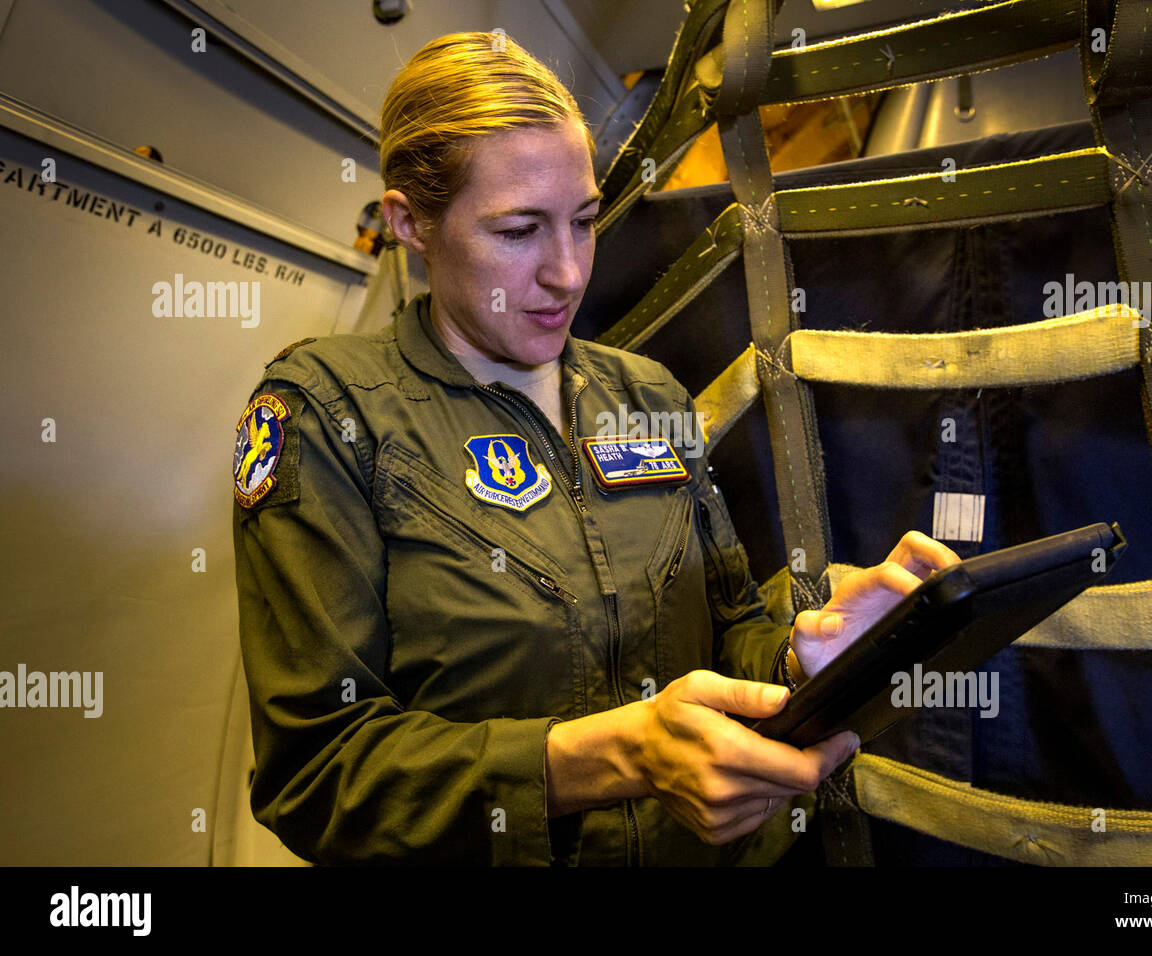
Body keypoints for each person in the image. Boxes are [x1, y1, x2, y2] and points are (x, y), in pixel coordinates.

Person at [231, 30, 959, 866]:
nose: (568, 273)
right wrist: (611, 757)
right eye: (518, 231)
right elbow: (317, 777)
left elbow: (732, 631)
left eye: (583, 222)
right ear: (410, 223)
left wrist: (812, 654)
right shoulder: (329, 417)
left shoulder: (644, 395)